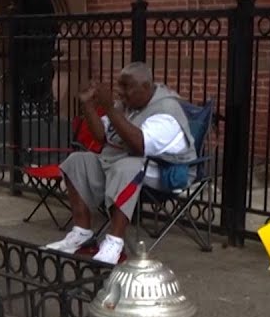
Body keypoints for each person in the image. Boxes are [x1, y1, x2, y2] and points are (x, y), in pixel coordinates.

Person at [43, 62, 196, 264]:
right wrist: (88, 105)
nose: (120, 92)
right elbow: (100, 136)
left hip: (164, 171)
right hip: (120, 162)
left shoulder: (166, 111)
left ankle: (114, 242)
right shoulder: (127, 105)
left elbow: (139, 145)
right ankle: (82, 233)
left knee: (127, 167)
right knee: (77, 161)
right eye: (119, 85)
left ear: (146, 87)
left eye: (126, 86)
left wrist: (108, 108)